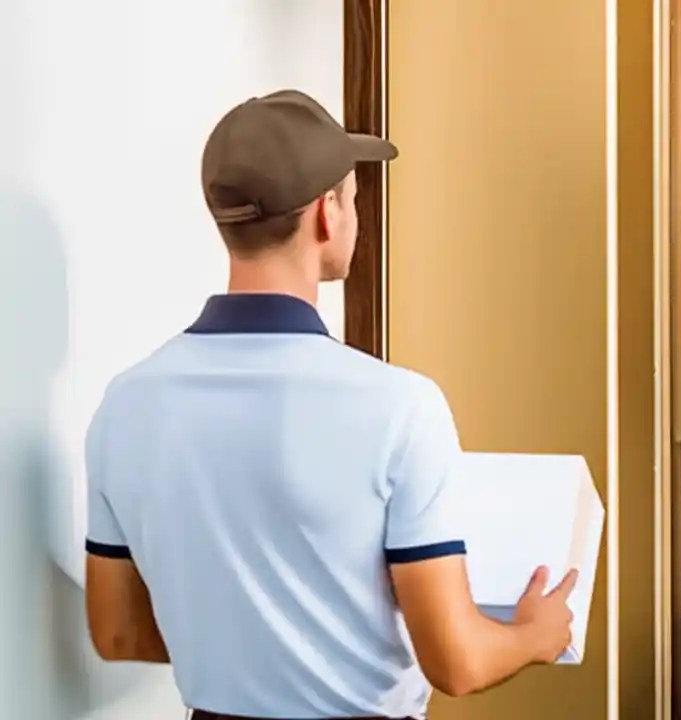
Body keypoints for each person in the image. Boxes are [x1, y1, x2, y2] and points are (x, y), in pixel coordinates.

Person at [82, 89, 577, 720]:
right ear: (325, 215)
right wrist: (537, 635)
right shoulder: (399, 406)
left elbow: (119, 632)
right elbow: (457, 662)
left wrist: (250, 640)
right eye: (352, 198)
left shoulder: (127, 403)